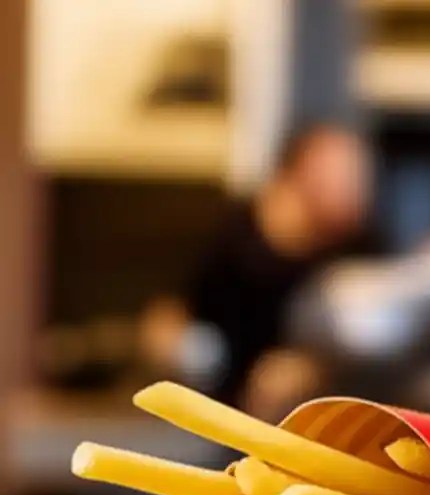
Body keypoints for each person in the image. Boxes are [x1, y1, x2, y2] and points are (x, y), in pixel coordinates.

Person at [141, 124, 379, 419]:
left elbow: (371, 352)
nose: (359, 192)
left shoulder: (358, 248)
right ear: (296, 175)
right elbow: (166, 316)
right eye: (344, 178)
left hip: (308, 427)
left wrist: (312, 369)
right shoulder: (224, 234)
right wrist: (178, 350)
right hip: (215, 419)